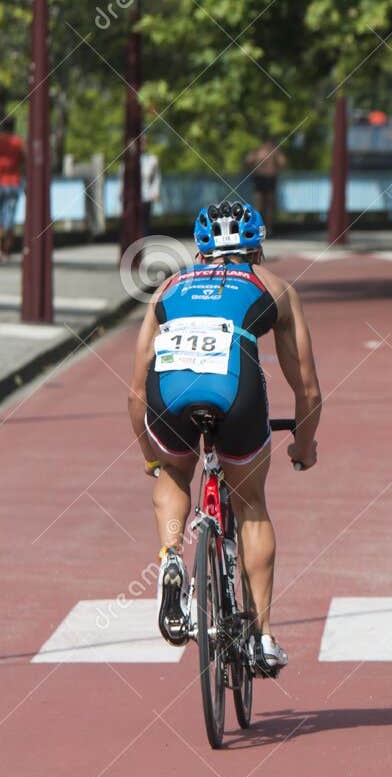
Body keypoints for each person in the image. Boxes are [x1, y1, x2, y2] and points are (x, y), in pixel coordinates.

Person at [129, 202, 322, 674]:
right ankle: (263, 637)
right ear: (257, 248)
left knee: (175, 471)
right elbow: (308, 389)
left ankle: (171, 557)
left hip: (168, 391)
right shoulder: (273, 287)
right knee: (251, 503)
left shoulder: (169, 287)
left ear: (200, 250)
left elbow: (135, 392)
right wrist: (304, 444)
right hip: (236, 392)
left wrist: (151, 457)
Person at [0, 117, 25, 263]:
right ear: (13, 126)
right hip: (14, 183)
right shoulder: (19, 142)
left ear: (2, 126)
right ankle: (6, 252)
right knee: (10, 218)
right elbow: (26, 160)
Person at [243, 137, 286, 229]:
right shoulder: (257, 152)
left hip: (270, 179)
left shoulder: (274, 152)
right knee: (259, 203)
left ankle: (269, 227)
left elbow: (282, 163)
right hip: (259, 179)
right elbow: (247, 161)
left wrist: (276, 154)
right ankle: (258, 226)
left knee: (270, 204)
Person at [139, 137, 161, 235]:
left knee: (145, 220)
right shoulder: (129, 160)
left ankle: (144, 238)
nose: (142, 145)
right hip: (133, 196)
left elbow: (157, 177)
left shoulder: (152, 160)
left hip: (146, 194)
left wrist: (156, 192)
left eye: (144, 143)